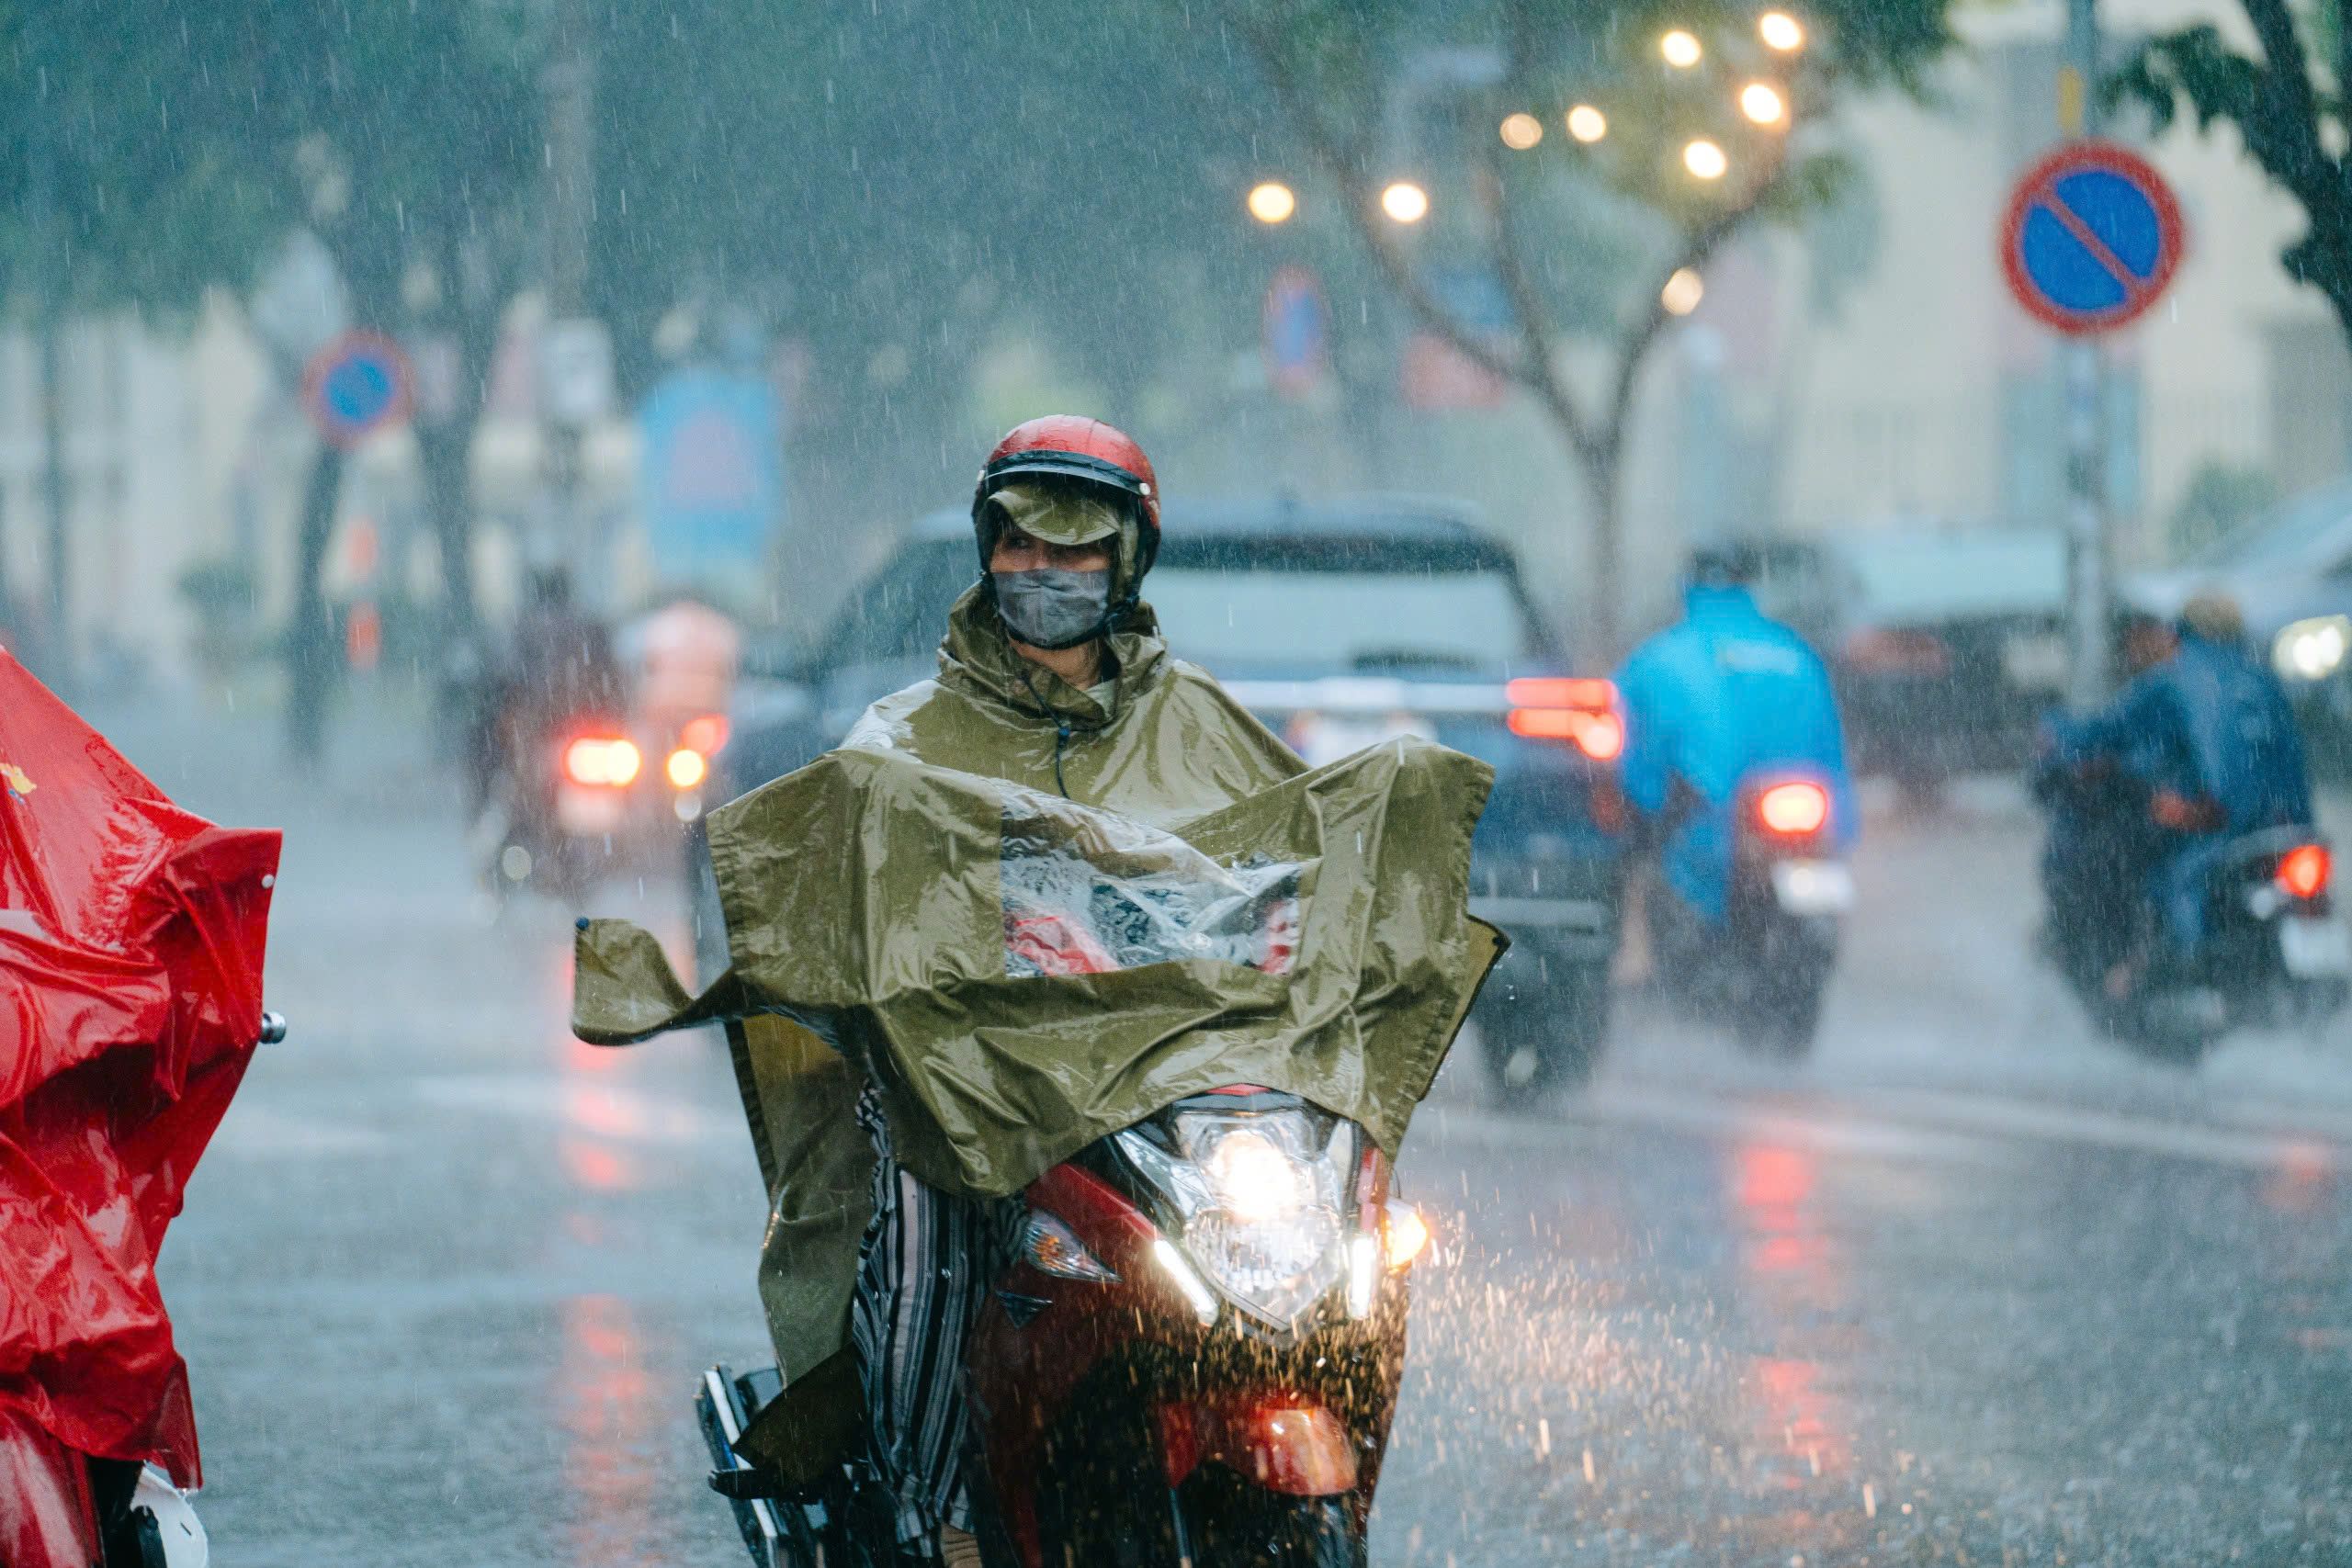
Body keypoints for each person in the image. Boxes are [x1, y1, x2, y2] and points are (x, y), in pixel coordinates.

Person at [835, 416, 1302, 1564]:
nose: (1044, 574)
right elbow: (852, 904)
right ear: (987, 553)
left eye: (1075, 548)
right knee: (920, 1245)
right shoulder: (900, 739)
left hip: (1163, 1089)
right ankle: (933, 1514)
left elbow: (1295, 878)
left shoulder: (1207, 731)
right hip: (968, 1091)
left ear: (1127, 561)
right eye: (1020, 546)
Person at [2043, 592, 2313, 990]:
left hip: (2219, 828)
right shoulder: (2263, 679)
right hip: (2288, 830)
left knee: (2163, 882)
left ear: (2179, 633)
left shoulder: (2173, 679)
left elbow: (2100, 732)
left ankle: (2160, 976)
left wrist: (2053, 728)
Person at [1612, 540, 1858, 932]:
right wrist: (1843, 826)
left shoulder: (1659, 657)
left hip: (1701, 832)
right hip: (1798, 823)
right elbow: (1831, 753)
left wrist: (1645, 803)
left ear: (1688, 584)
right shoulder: (1796, 653)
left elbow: (1631, 752)